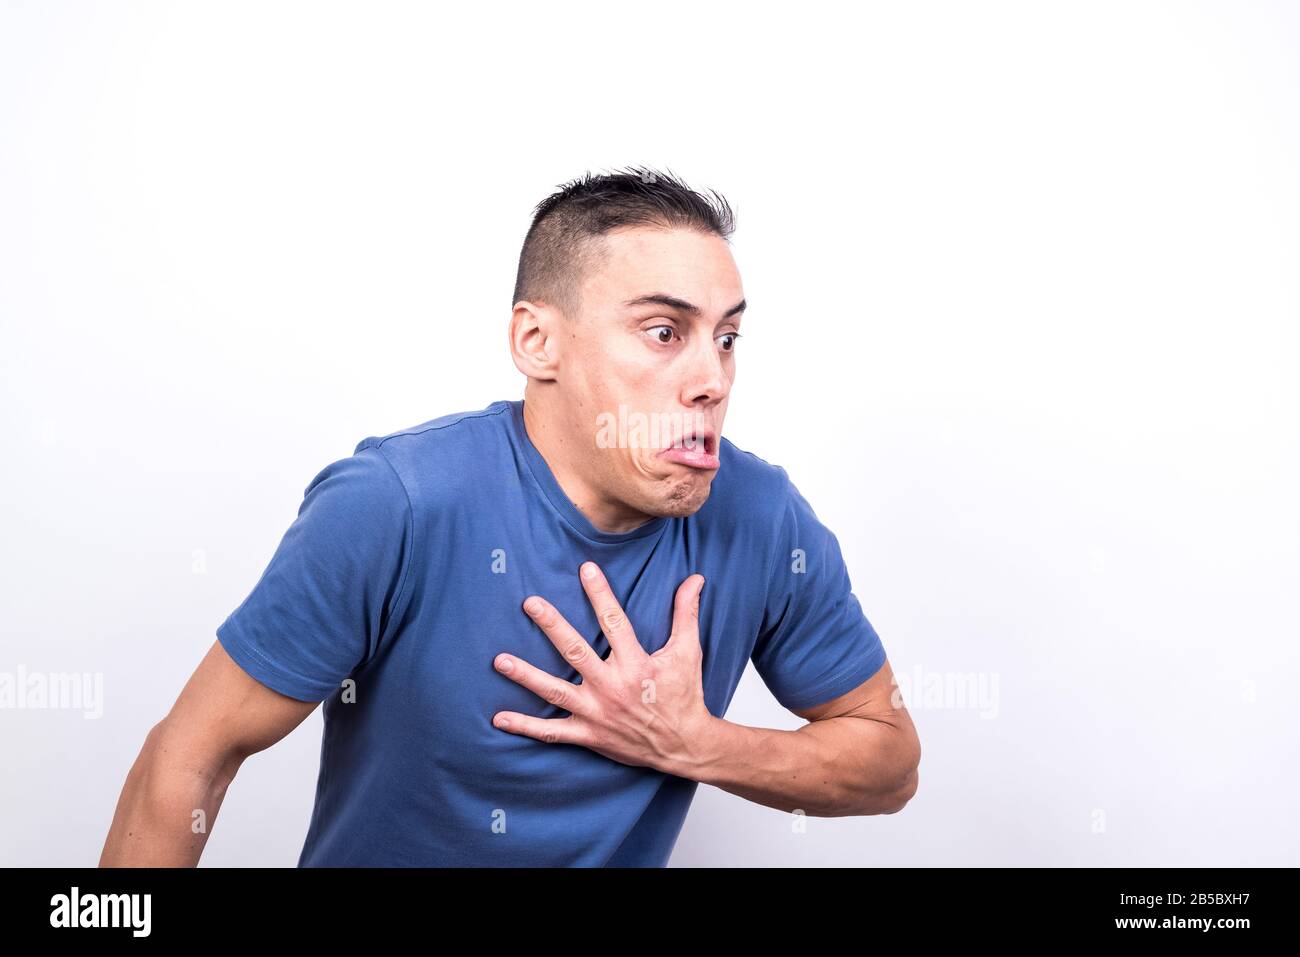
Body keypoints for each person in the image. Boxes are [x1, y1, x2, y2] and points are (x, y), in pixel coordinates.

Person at [99, 166, 921, 867]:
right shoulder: (397, 502)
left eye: (729, 338)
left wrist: (693, 741)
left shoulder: (761, 517)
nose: (712, 378)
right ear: (537, 341)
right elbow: (190, 756)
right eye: (665, 330)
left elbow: (889, 761)